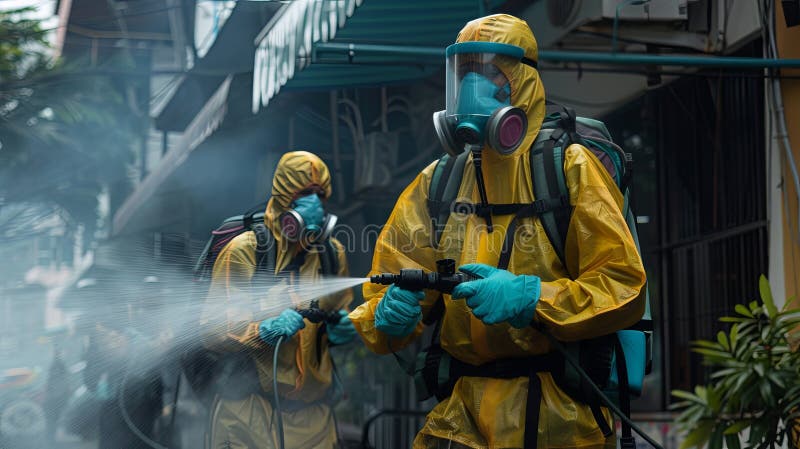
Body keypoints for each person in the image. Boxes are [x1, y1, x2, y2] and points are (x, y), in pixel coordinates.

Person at [350, 14, 647, 449]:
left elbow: (622, 286)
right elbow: (389, 289)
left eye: (492, 73)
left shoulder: (569, 168)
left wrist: (531, 297)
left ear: (522, 82)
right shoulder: (439, 182)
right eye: (465, 73)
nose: (474, 87)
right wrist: (388, 314)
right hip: (462, 417)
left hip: (559, 420)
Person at [201, 150, 356, 449]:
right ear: (284, 198)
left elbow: (339, 310)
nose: (315, 203)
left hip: (314, 420)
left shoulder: (330, 253)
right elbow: (212, 329)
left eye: (320, 194)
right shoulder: (246, 251)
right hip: (247, 415)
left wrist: (343, 327)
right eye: (304, 193)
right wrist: (262, 332)